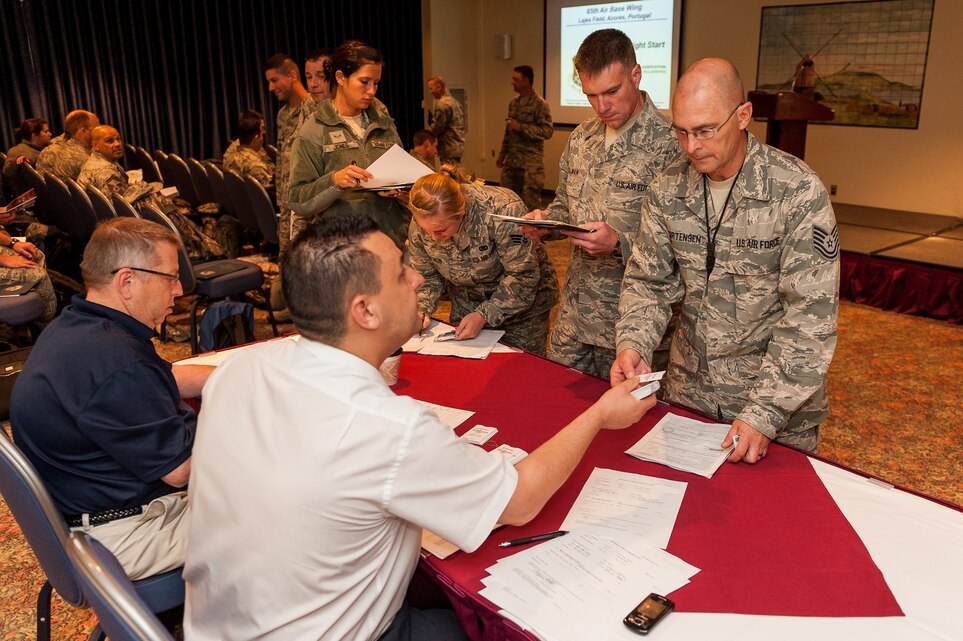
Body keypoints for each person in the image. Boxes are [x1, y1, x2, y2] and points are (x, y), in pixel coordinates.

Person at [183, 213, 653, 641]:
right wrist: (598, 415)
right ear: (366, 311)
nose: (419, 277)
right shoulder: (388, 427)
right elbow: (520, 501)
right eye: (401, 271)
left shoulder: (236, 369)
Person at [612, 58, 840, 461]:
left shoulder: (797, 192)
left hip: (775, 408)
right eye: (680, 131)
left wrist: (763, 413)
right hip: (691, 394)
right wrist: (634, 343)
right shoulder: (667, 189)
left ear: (743, 115)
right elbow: (649, 281)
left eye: (705, 130)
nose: (691, 146)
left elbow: (810, 317)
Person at [10, 218, 214, 579]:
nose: (179, 290)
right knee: (291, 511)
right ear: (127, 281)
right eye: (170, 277)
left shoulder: (79, 327)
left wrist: (232, 376)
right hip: (122, 536)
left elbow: (163, 377)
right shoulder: (114, 362)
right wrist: (248, 411)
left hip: (96, 513)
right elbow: (181, 470)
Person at [521, 29, 680, 379]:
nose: (601, 106)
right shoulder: (582, 137)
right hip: (576, 316)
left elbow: (684, 247)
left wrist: (619, 243)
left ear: (635, 75)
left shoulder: (672, 145)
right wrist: (546, 223)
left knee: (627, 426)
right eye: (590, 95)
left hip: (633, 328)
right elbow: (565, 205)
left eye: (611, 91)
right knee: (558, 411)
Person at [407, 166, 558, 355]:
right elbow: (427, 276)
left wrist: (484, 315)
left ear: (461, 213)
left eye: (440, 231)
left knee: (519, 374)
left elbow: (523, 275)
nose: (433, 237)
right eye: (426, 230)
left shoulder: (503, 209)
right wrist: (421, 310)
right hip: (467, 304)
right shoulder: (425, 218)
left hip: (522, 312)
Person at [288, 40, 411, 249]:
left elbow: (403, 178)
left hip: (390, 243)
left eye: (376, 83)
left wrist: (406, 193)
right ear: (340, 77)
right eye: (364, 82)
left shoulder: (384, 125)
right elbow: (298, 199)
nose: (372, 91)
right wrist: (335, 180)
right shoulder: (314, 129)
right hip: (343, 250)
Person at [79, 125, 238, 261]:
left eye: (118, 139)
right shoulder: (106, 172)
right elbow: (126, 206)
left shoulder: (94, 164)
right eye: (109, 141)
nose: (117, 144)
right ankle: (210, 252)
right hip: (127, 231)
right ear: (95, 145)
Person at [264, 53, 312, 255]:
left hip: (307, 206)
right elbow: (281, 161)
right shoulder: (283, 114)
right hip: (287, 205)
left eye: (274, 80)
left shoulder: (315, 109)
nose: (270, 88)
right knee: (287, 263)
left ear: (292, 76)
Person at [496, 65, 554, 211]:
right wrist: (502, 155)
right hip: (512, 161)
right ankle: (510, 233)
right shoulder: (513, 103)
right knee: (506, 200)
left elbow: (547, 131)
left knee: (530, 204)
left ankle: (532, 234)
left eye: (516, 79)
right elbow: (508, 132)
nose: (512, 82)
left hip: (530, 164)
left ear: (526, 81)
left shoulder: (540, 104)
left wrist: (521, 127)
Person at [35, 109, 100, 182]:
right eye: (97, 128)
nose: (100, 131)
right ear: (84, 130)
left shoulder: (66, 148)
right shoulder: (82, 158)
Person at [222, 109, 274, 194]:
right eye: (262, 130)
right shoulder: (256, 166)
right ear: (256, 138)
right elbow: (270, 196)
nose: (264, 133)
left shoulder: (231, 157)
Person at [4, 118, 53, 195]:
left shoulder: (47, 147)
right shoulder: (19, 151)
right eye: (46, 132)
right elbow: (7, 171)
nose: (50, 134)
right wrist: (17, 161)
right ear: (34, 135)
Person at [427, 75, 466, 166]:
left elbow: (437, 128)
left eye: (431, 88)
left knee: (448, 176)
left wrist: (427, 133)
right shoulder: (455, 102)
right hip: (457, 146)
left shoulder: (442, 105)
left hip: (448, 148)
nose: (431, 92)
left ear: (439, 87)